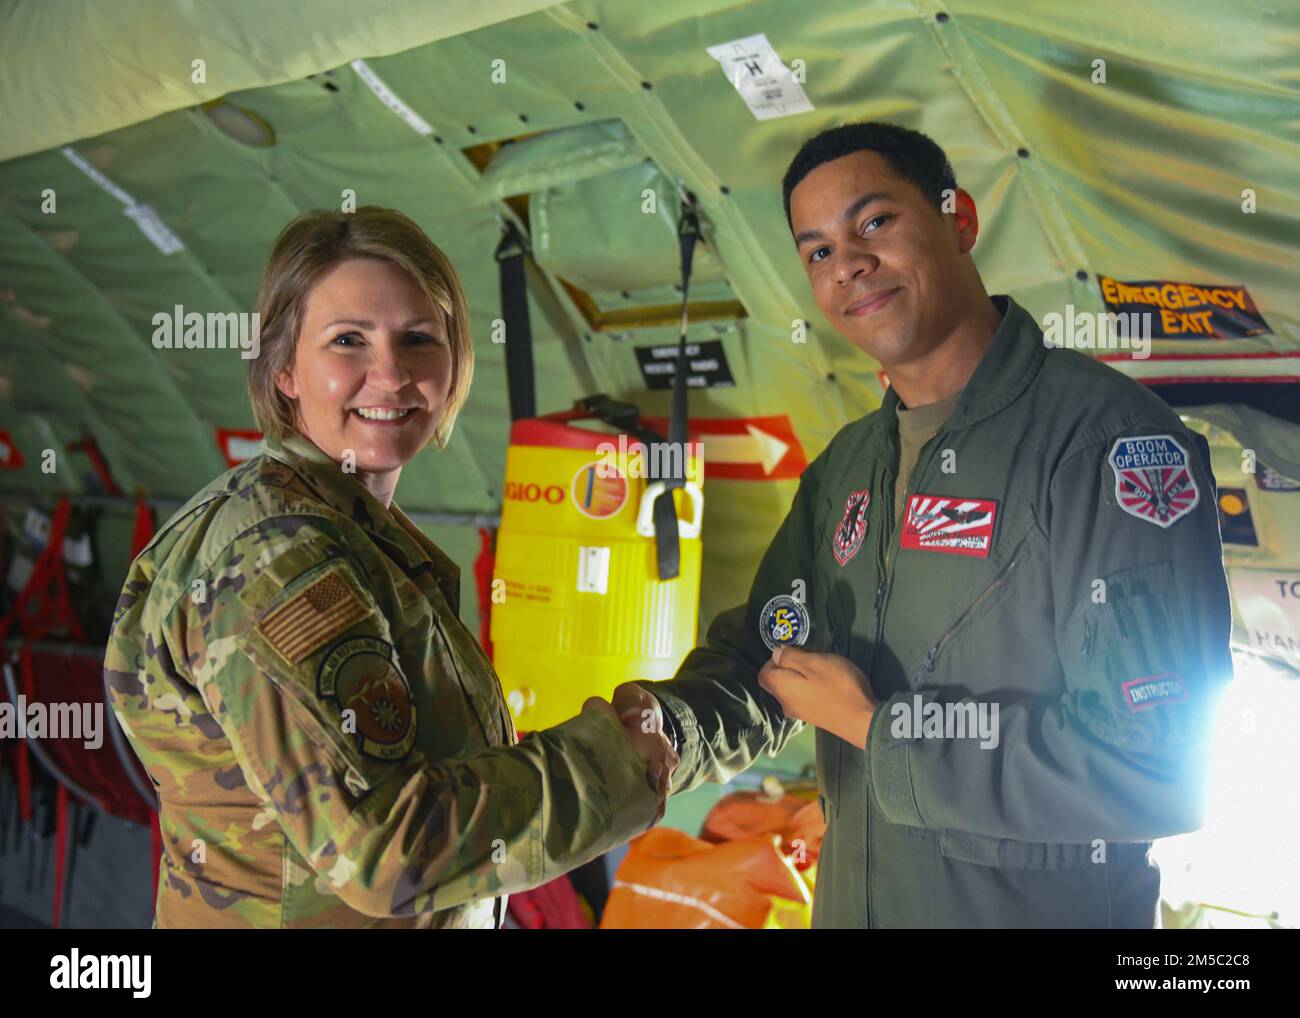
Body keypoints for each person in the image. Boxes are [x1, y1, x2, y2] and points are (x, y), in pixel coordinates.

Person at [614, 122, 1233, 928]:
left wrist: (882, 731)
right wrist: (663, 734)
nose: (851, 265)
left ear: (960, 220)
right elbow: (770, 653)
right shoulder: (846, 469)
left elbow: (1153, 768)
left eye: (875, 223)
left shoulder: (1106, 447)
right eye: (819, 252)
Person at [104, 206, 676, 928]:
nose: (392, 375)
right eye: (348, 341)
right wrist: (614, 764)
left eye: (418, 340)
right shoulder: (279, 558)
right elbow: (384, 850)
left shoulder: (345, 531)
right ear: (283, 367)